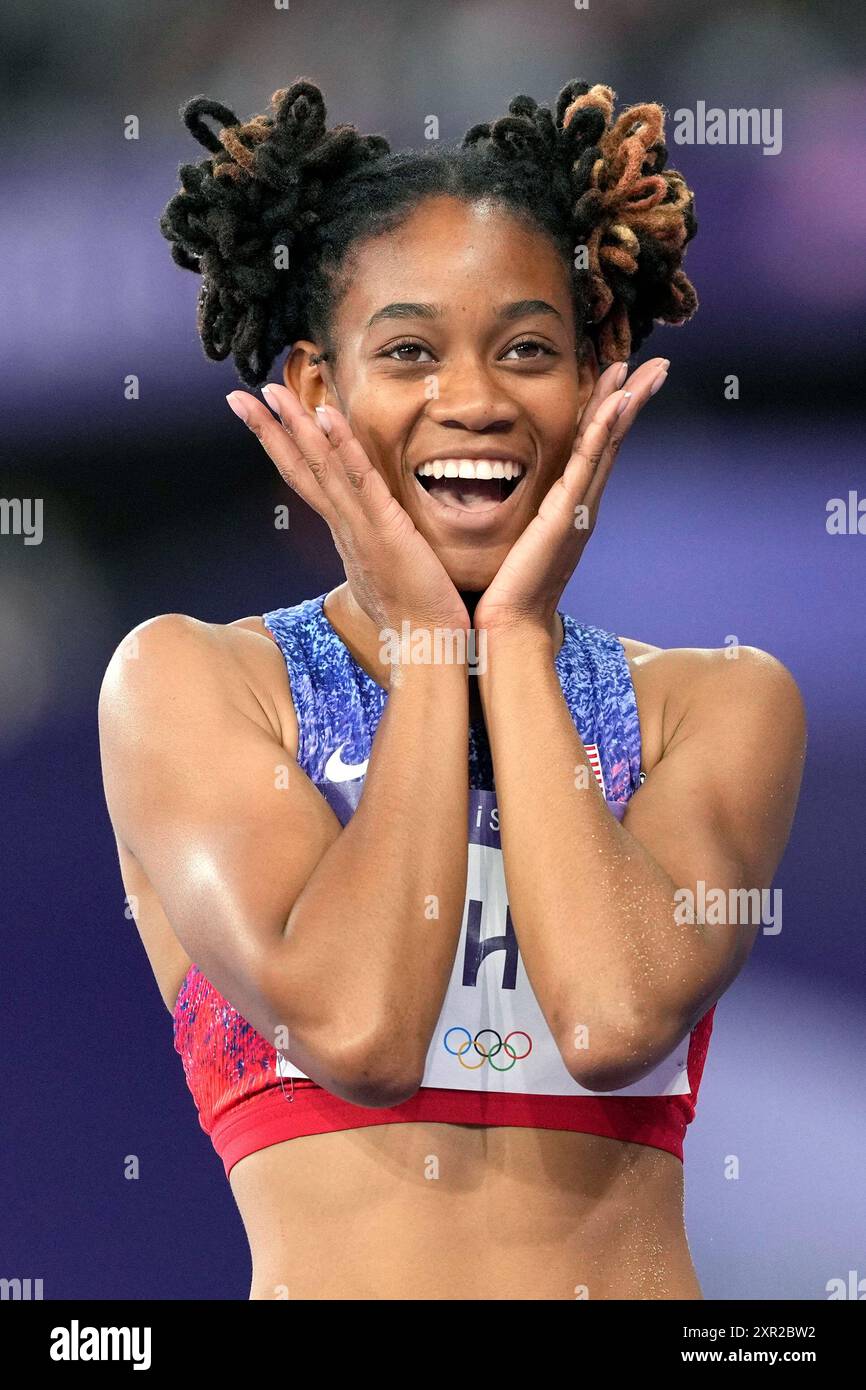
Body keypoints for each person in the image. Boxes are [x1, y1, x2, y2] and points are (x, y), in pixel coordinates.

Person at [98, 79, 806, 1300]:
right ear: (317, 391)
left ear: (595, 382)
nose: (473, 398)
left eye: (526, 348)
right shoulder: (193, 682)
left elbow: (611, 1019)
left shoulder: (718, 704)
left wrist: (511, 634)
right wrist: (431, 639)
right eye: (410, 350)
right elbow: (361, 1033)